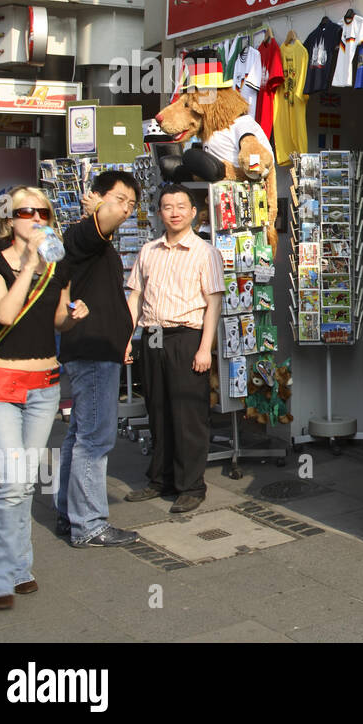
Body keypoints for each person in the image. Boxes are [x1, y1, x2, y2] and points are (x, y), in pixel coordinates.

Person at [0, 187, 88, 610]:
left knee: (24, 483)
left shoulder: (59, 262)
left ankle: (20, 567)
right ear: (9, 218)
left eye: (43, 210)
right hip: (2, 383)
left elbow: (57, 321)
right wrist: (28, 265)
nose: (36, 216)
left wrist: (73, 315)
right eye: (26, 210)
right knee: (13, 482)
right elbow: (4, 313)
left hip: (44, 384)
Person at [54, 171, 142, 547]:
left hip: (100, 349)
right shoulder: (83, 234)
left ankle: (68, 513)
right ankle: (89, 524)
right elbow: (103, 221)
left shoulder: (97, 242)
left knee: (79, 434)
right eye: (120, 199)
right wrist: (100, 209)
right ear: (95, 199)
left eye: (132, 204)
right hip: (90, 350)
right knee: (95, 438)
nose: (126, 209)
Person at [124, 183, 224, 514]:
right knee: (157, 408)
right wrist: (127, 339)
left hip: (186, 336)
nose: (175, 212)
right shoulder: (148, 251)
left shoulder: (204, 252)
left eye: (181, 206)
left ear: (194, 212)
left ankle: (191, 485)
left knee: (188, 414)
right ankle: (160, 478)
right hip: (152, 335)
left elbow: (213, 303)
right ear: (159, 213)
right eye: (168, 207)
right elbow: (135, 297)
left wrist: (204, 349)